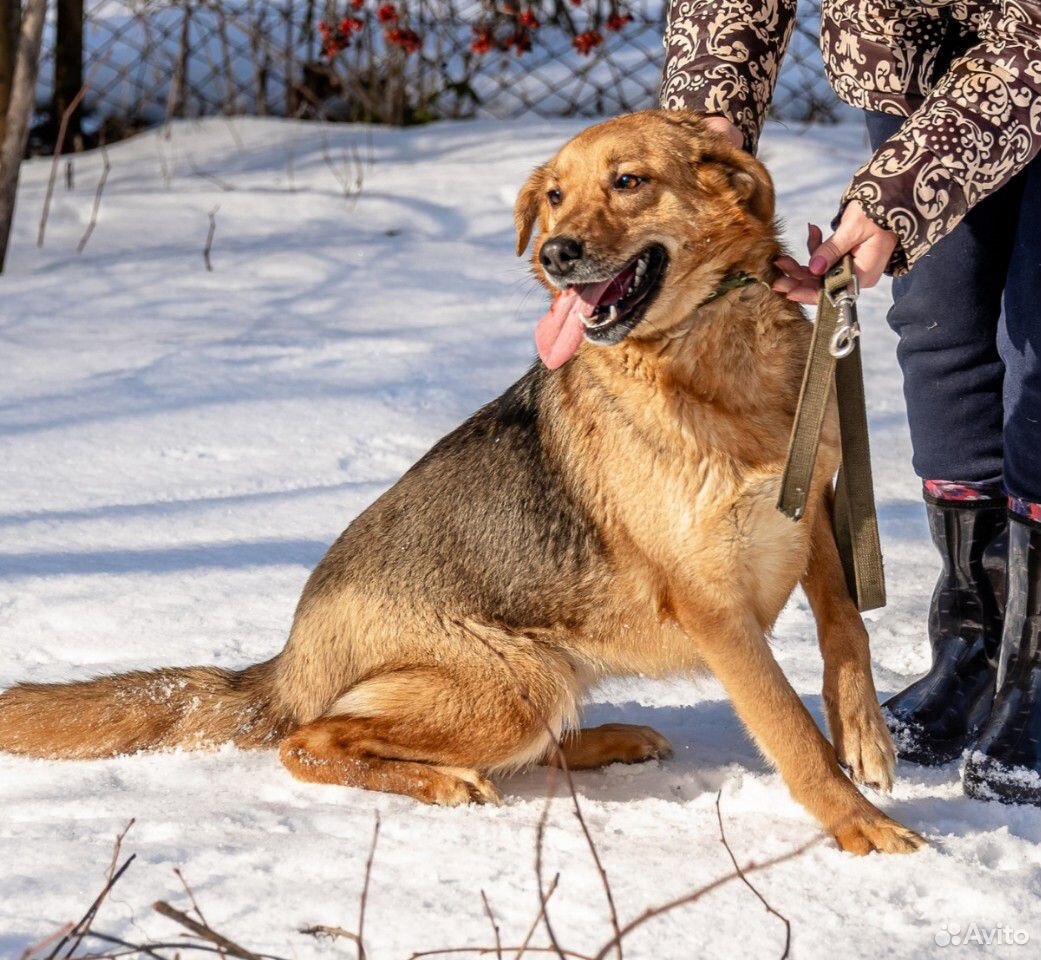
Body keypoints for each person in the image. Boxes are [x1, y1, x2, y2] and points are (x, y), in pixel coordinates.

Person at [660, 0, 1041, 805]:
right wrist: (706, 124)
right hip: (909, 56)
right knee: (939, 320)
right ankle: (977, 645)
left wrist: (900, 190)